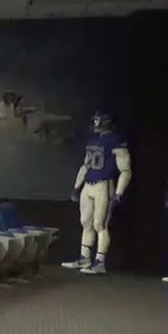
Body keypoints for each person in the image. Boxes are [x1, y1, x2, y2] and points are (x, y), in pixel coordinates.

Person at [62, 110, 130, 275]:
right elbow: (85, 165)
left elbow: (125, 170)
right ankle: (84, 257)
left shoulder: (116, 140)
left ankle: (100, 261)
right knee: (86, 222)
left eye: (99, 121)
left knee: (100, 224)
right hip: (89, 184)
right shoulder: (93, 140)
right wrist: (77, 186)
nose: (95, 124)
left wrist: (119, 192)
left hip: (103, 184)